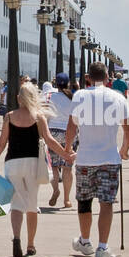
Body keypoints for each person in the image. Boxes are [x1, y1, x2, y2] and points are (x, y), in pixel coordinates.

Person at [0, 82, 74, 257]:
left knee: (16, 204)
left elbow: (1, 143)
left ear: (19, 98)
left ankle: (16, 239)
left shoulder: (9, 116)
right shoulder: (39, 117)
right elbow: (49, 140)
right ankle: (31, 245)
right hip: (33, 163)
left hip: (13, 163)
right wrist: (66, 155)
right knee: (31, 205)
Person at [65, 62, 129, 257]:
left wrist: (68, 149)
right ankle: (102, 247)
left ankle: (85, 242)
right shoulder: (117, 98)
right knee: (106, 202)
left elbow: (71, 127)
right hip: (109, 159)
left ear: (87, 77)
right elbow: (128, 130)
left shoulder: (80, 96)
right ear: (107, 78)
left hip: (85, 159)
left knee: (84, 202)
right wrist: (124, 150)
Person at [40, 72, 75, 207]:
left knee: (54, 166)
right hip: (69, 133)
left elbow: (41, 113)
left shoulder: (48, 96)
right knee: (67, 168)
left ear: (55, 84)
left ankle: (55, 190)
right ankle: (67, 199)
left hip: (52, 132)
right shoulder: (72, 97)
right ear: (68, 83)